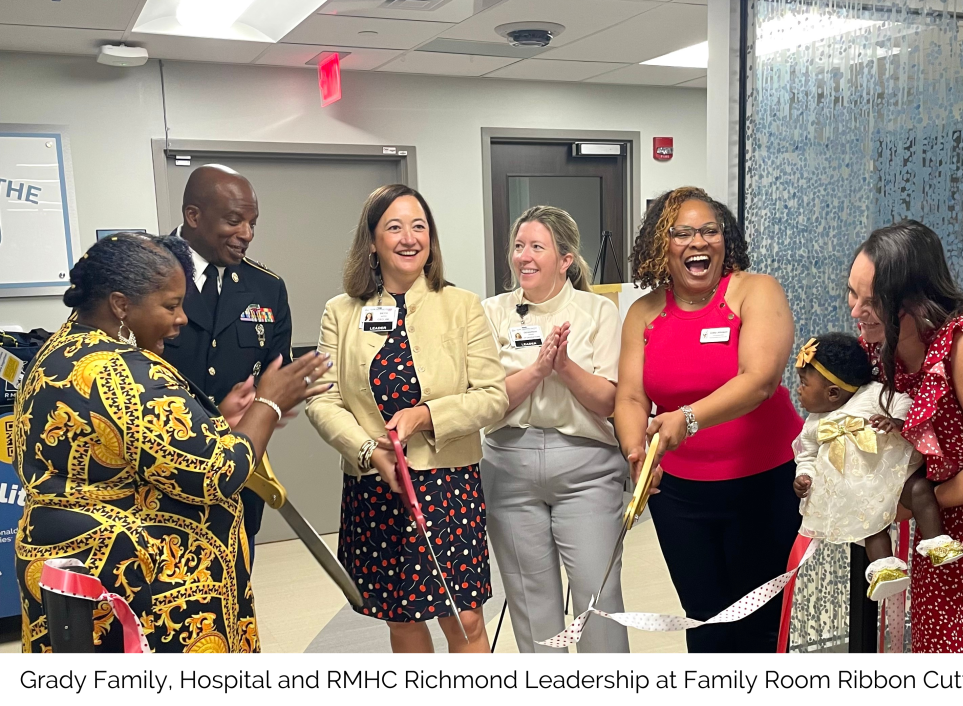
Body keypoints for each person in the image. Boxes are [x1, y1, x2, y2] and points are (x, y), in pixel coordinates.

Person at [13, 233, 329, 652]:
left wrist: (218, 419)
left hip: (74, 572)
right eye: (170, 305)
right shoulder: (121, 372)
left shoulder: (60, 350)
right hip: (138, 587)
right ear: (121, 304)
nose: (181, 318)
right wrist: (269, 404)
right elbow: (216, 474)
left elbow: (137, 446)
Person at [306, 184, 507, 653]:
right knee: (400, 617)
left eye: (419, 226)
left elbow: (492, 397)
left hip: (448, 483)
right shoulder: (341, 312)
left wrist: (426, 415)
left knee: (466, 619)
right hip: (377, 483)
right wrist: (367, 450)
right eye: (393, 227)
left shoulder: (462, 307)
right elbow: (322, 400)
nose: (409, 238)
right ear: (372, 240)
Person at [614, 186, 804, 653]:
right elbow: (632, 397)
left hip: (764, 485)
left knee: (757, 623)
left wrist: (689, 418)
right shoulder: (644, 313)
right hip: (679, 496)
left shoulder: (755, 291)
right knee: (705, 619)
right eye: (682, 233)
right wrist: (636, 451)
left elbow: (759, 379)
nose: (698, 243)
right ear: (663, 245)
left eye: (709, 231)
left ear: (726, 238)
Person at [848, 220, 963, 652]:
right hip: (941, 532)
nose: (856, 311)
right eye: (852, 294)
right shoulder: (880, 344)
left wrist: (917, 503)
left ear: (915, 300)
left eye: (873, 302)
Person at [480, 206, 629, 653]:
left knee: (597, 598)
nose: (523, 256)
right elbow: (485, 403)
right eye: (518, 246)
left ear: (565, 259)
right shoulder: (491, 313)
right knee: (530, 603)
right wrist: (537, 371)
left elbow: (608, 401)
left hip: (586, 470)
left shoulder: (598, 312)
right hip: (509, 468)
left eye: (536, 247)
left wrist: (563, 366)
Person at [163, 164, 293, 556]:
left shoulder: (266, 287)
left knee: (236, 600)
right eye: (234, 221)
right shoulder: (147, 277)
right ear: (193, 216)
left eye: (253, 223)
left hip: (237, 478)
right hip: (161, 485)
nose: (247, 235)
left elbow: (275, 381)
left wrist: (270, 405)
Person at [790, 333, 963, 601]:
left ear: (833, 392)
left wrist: (896, 420)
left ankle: (937, 540)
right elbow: (807, 456)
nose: (798, 389)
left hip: (894, 471)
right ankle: (884, 568)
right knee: (869, 525)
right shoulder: (813, 424)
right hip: (859, 488)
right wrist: (805, 476)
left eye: (803, 383)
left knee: (919, 491)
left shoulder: (873, 395)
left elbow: (905, 402)